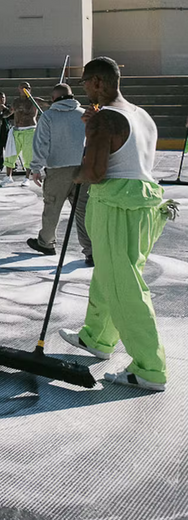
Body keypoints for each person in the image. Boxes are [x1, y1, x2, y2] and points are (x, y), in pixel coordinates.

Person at [59, 57, 179, 392]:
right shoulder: (139, 115)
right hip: (144, 204)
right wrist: (92, 128)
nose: (84, 89)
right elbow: (127, 156)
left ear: (98, 82)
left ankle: (149, 368)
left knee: (124, 286)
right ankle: (96, 337)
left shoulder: (105, 119)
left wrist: (65, 176)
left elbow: (95, 173)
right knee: (110, 273)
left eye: (85, 83)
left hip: (116, 203)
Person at [26, 83, 92, 263]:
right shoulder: (85, 114)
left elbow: (41, 144)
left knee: (52, 209)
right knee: (84, 212)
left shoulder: (48, 117)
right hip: (83, 170)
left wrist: (36, 168)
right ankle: (91, 250)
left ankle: (46, 243)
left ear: (54, 99)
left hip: (57, 171)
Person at [5, 93, 39, 182]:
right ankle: (8, 177)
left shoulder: (34, 100)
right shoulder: (16, 101)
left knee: (28, 154)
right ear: (19, 89)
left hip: (30, 130)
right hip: (16, 130)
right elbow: (9, 112)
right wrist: (2, 114)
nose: (25, 89)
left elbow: (47, 103)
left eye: (27, 87)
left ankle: (27, 178)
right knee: (10, 153)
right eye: (22, 87)